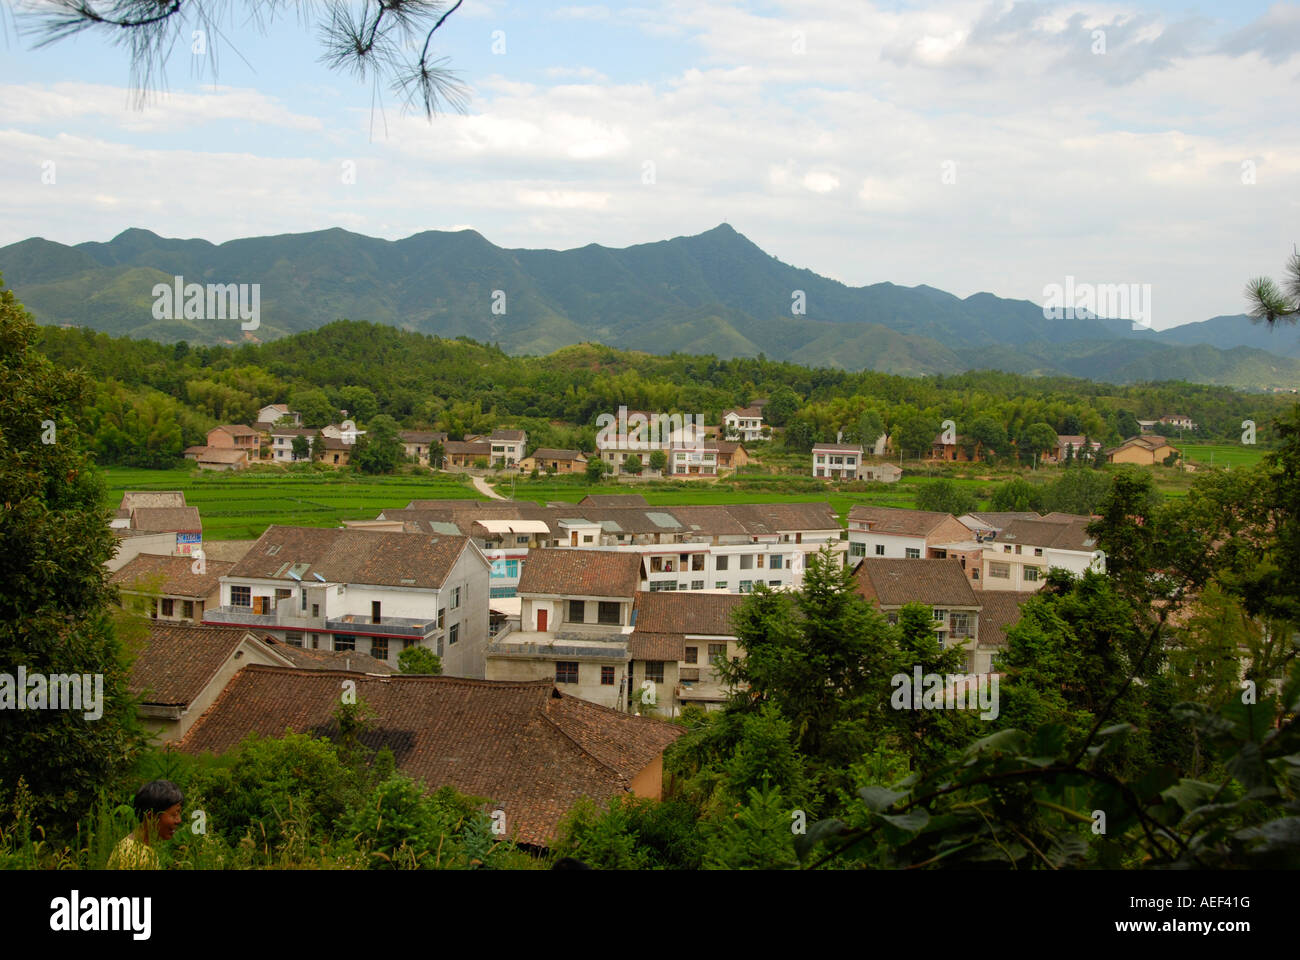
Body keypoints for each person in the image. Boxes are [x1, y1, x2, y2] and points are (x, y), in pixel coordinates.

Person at [107, 780, 183, 870]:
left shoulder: (131, 846)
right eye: (174, 814)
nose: (179, 820)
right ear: (150, 816)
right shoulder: (137, 857)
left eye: (179, 813)